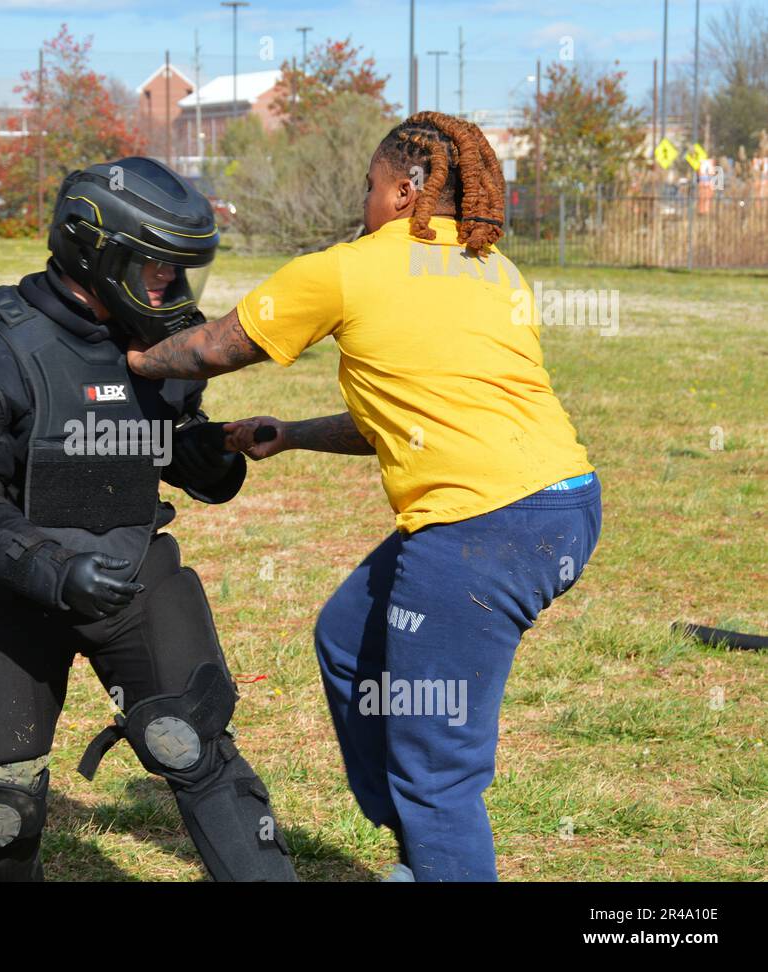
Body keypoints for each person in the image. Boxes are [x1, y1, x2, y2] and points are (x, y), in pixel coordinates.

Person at [126, 112, 602, 881]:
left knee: (436, 763)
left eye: (373, 186)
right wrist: (295, 434)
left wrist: (134, 360)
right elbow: (411, 415)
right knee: (350, 639)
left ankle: (433, 838)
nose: (367, 200)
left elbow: (215, 347)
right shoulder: (493, 270)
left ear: (406, 191)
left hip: (483, 528)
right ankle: (422, 848)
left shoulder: (347, 268)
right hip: (564, 505)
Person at [0, 156, 297, 881]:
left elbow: (157, 448)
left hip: (132, 576)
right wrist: (56, 571)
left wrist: (206, 455)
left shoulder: (166, 342)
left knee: (187, 739)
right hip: (16, 593)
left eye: (181, 267)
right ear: (92, 246)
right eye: (156, 263)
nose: (172, 283)